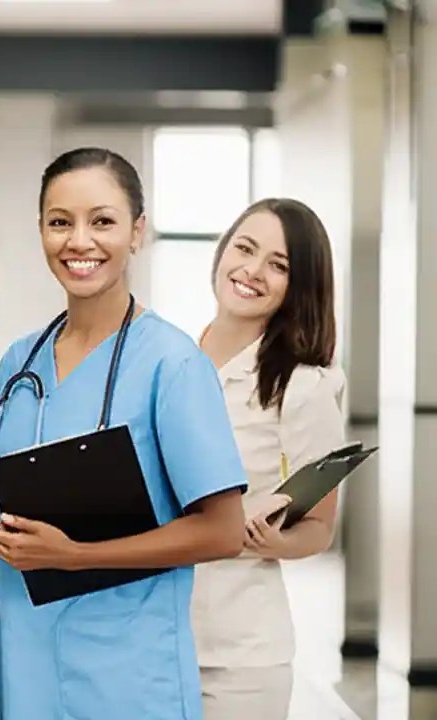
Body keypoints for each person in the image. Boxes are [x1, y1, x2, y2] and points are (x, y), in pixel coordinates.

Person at [0, 147, 248, 720]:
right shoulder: (17, 365)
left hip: (127, 681)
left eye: (102, 220)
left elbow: (224, 531)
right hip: (21, 676)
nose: (80, 241)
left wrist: (77, 556)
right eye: (60, 222)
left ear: (137, 232)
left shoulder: (172, 364)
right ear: (41, 231)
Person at [190, 198, 344, 719]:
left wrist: (277, 542)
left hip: (238, 655)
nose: (252, 271)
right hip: (149, 637)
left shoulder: (302, 387)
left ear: (297, 287)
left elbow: (320, 527)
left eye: (278, 265)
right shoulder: (169, 360)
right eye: (245, 248)